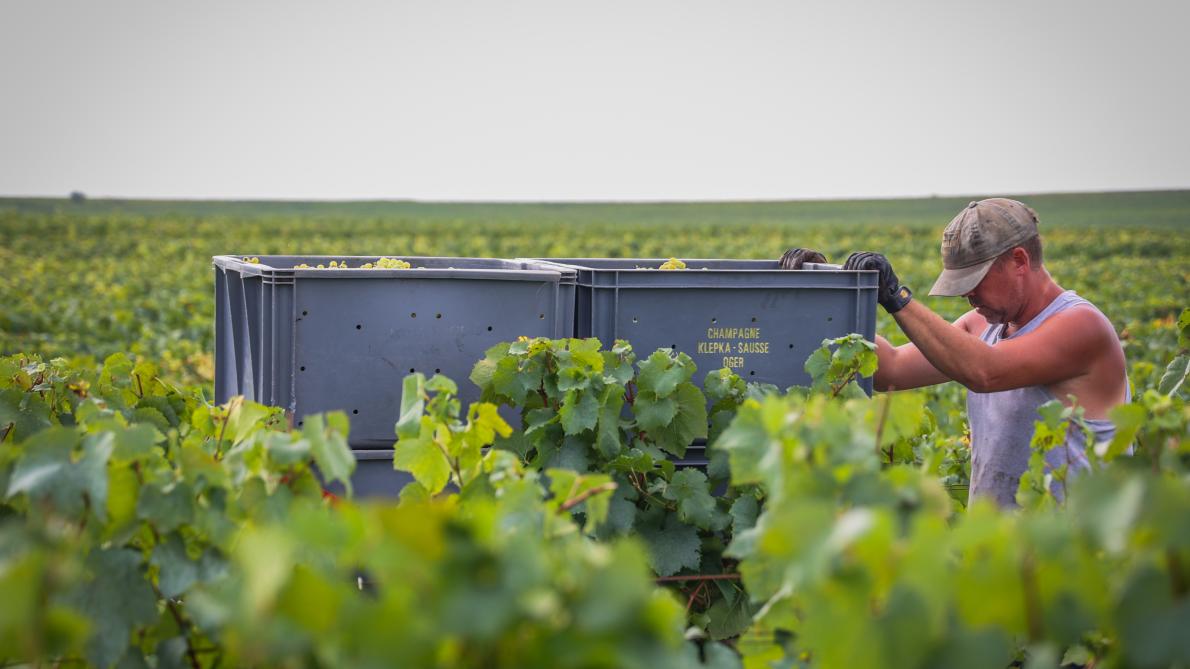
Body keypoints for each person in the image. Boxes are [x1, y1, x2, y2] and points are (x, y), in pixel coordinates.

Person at [784, 198, 1130, 507]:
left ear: (1019, 261)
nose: (969, 297)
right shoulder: (982, 327)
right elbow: (890, 369)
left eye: (974, 282)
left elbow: (985, 372)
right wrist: (821, 294)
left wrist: (896, 298)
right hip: (999, 553)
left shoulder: (1081, 326)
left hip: (1075, 555)